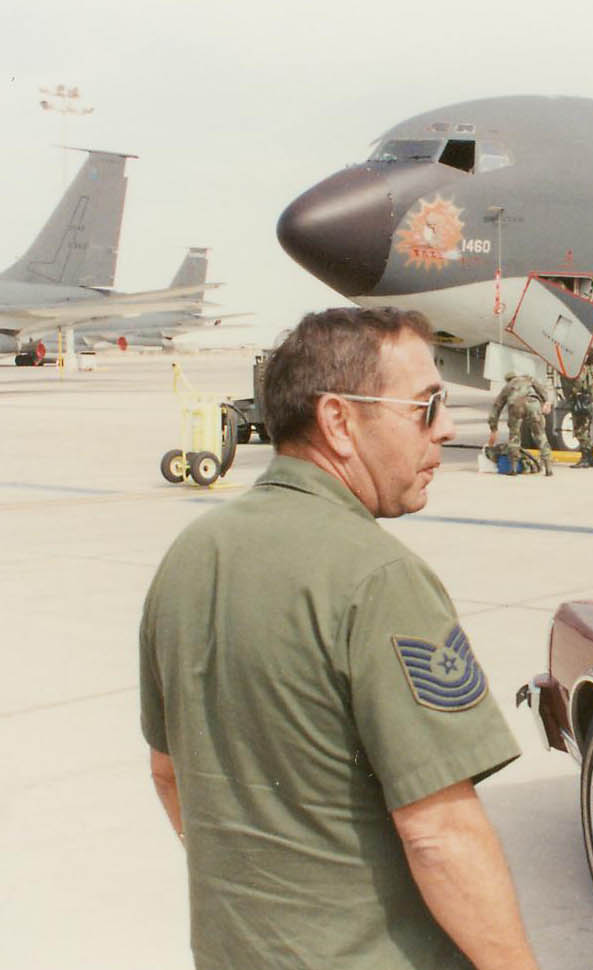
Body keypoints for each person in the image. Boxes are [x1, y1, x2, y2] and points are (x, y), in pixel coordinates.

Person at [140, 307, 539, 970]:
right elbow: (441, 834)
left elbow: (168, 773)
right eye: (425, 405)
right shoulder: (379, 579)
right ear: (339, 422)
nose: (447, 427)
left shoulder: (190, 554)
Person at [488, 370, 553, 476]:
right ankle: (548, 468)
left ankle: (513, 468)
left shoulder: (507, 387)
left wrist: (493, 427)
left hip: (516, 406)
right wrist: (547, 401)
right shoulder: (528, 379)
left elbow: (496, 407)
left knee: (514, 436)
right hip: (533, 404)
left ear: (508, 380)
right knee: (540, 435)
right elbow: (542, 390)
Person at [559, 347, 593, 467]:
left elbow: (577, 383)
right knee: (585, 430)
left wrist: (575, 392)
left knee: (580, 431)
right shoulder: (591, 370)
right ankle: (589, 458)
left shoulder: (579, 370)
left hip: (579, 402)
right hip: (587, 401)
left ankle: (586, 458)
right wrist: (589, 392)